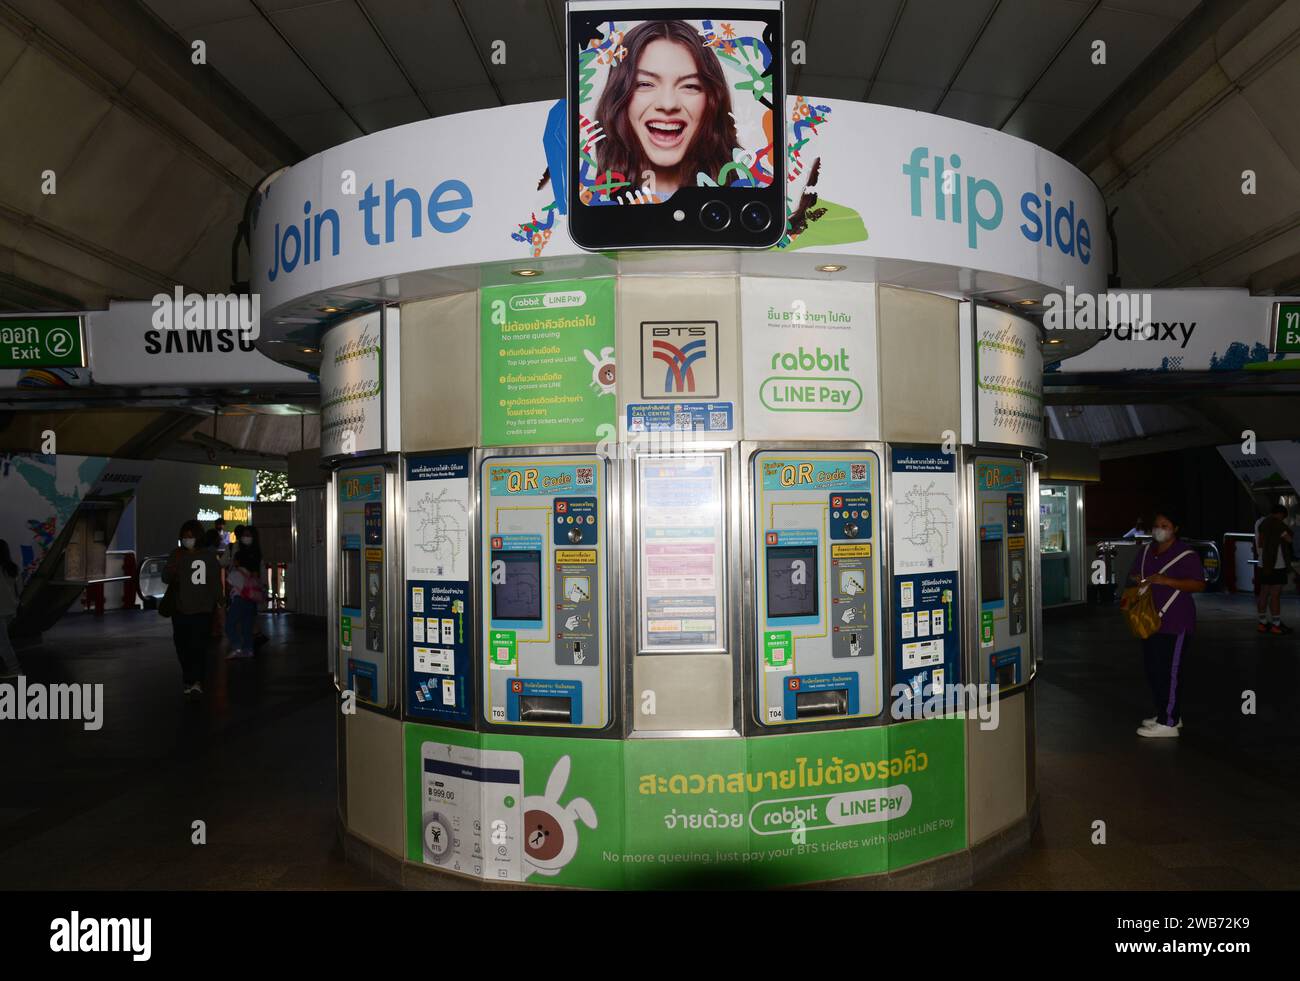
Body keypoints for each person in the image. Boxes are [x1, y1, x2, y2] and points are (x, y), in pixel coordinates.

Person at [592, 19, 738, 201]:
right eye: (644, 84)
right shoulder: (585, 204)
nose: (668, 104)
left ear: (712, 100)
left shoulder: (756, 193)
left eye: (690, 86)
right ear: (618, 98)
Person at [1121, 511, 1206, 738]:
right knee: (1154, 670)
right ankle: (1165, 714)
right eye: (1156, 525)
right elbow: (1132, 574)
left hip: (1176, 621)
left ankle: (1168, 722)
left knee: (1170, 671)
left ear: (1175, 528)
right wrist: (1137, 579)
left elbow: (1198, 585)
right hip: (1149, 619)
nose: (1159, 529)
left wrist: (1166, 580)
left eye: (1165, 525)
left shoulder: (1185, 554)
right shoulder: (1147, 551)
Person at [162, 520, 223, 699]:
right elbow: (166, 577)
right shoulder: (177, 554)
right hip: (180, 608)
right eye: (184, 536)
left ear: (198, 537)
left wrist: (220, 602)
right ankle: (189, 678)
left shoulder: (207, 557)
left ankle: (196, 680)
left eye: (191, 536)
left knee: (198, 646)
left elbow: (214, 582)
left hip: (202, 609)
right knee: (182, 646)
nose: (187, 539)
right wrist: (171, 570)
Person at [1254, 503, 1293, 634]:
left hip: (1262, 563)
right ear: (1280, 514)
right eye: (1283, 518)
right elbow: (1289, 539)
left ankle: (1262, 623)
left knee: (1264, 593)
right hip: (1277, 564)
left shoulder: (1259, 522)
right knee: (1275, 595)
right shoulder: (1276, 523)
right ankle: (1276, 624)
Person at [224, 546, 263, 659]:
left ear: (237, 561)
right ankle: (248, 649)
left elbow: (228, 587)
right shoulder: (249, 573)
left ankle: (237, 647)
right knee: (247, 627)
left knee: (229, 625)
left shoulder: (234, 573)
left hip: (239, 601)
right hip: (250, 601)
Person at [0, 540, 22, 680]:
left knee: (3, 643)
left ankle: (14, 669)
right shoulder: (13, 568)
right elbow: (19, 589)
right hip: (10, 610)